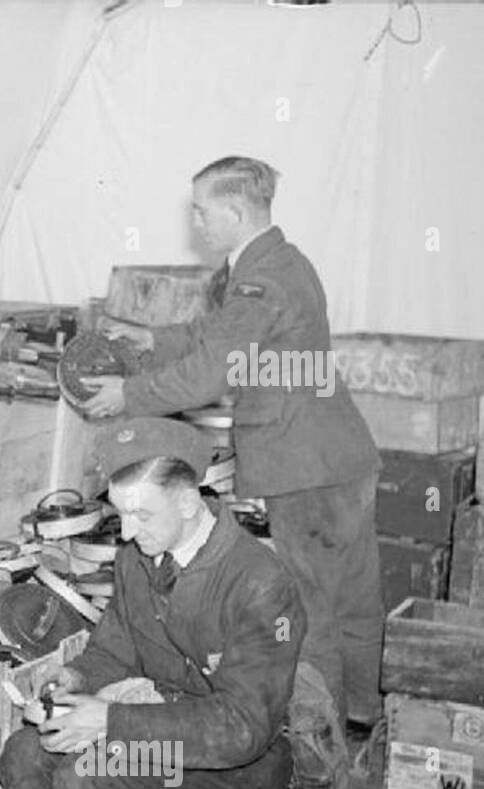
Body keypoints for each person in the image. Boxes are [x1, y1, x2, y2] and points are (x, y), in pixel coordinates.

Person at [82, 155, 382, 731]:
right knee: (355, 596)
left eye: (202, 211)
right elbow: (212, 335)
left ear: (235, 210)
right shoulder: (284, 263)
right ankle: (363, 716)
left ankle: (322, 743)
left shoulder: (257, 279)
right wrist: (151, 338)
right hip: (342, 454)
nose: (196, 223)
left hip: (303, 466)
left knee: (311, 607)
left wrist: (129, 394)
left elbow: (212, 372)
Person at [0, 417, 305, 789]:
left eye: (142, 514)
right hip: (160, 735)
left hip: (237, 772)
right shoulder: (137, 559)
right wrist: (76, 679)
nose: (129, 531)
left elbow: (243, 729)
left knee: (91, 780)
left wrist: (110, 721)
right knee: (25, 753)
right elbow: (116, 648)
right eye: (121, 515)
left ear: (189, 502)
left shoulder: (260, 583)